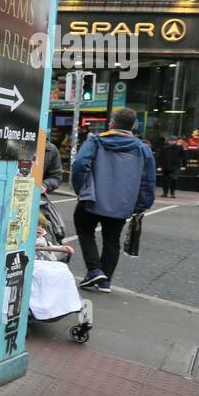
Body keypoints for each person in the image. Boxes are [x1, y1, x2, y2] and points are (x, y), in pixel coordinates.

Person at [70, 107, 156, 293]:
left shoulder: (95, 141)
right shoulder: (143, 149)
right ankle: (105, 281)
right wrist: (141, 205)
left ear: (111, 123)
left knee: (85, 230)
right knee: (112, 240)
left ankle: (94, 270)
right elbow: (148, 181)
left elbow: (79, 164)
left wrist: (81, 188)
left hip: (92, 199)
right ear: (133, 126)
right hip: (122, 203)